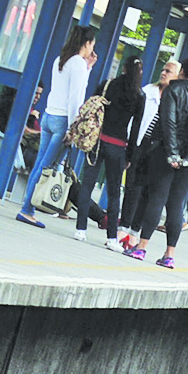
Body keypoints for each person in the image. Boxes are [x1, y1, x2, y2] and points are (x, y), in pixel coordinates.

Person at [120, 57, 188, 268]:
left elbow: (169, 122)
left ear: (182, 71)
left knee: (157, 198)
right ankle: (169, 255)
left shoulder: (173, 91)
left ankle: (142, 247)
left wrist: (174, 153)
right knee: (176, 204)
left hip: (165, 154)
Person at [15, 25, 99, 228]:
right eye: (92, 45)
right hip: (63, 121)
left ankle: (29, 207)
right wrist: (73, 128)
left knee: (40, 165)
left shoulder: (60, 60)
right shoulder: (77, 63)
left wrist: (88, 69)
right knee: (47, 166)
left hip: (49, 115)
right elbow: (75, 98)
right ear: (87, 43)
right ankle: (27, 209)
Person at [72, 56, 147, 247]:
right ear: (139, 72)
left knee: (87, 185)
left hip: (98, 141)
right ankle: (112, 237)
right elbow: (136, 128)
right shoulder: (139, 95)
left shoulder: (108, 85)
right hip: (118, 146)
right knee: (114, 192)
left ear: (123, 68)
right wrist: (130, 155)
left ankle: (80, 229)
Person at [119, 57, 180, 233]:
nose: (163, 73)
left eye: (168, 71)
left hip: (158, 148)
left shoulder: (175, 97)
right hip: (140, 142)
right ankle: (124, 224)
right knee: (132, 186)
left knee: (148, 190)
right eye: (163, 69)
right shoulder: (148, 91)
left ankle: (135, 229)